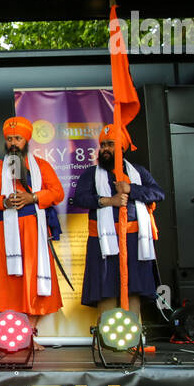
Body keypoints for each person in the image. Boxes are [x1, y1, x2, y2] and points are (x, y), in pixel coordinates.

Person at [0, 116, 64, 339]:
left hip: (34, 231)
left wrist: (32, 197)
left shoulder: (41, 166)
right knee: (8, 282)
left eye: (17, 138)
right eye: (9, 139)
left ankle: (29, 334)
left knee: (33, 281)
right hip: (5, 232)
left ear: (26, 141)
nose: (13, 143)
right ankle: (11, 335)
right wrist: (4, 202)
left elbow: (57, 193)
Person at [71, 123, 164, 315]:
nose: (105, 149)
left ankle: (132, 338)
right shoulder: (90, 174)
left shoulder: (137, 172)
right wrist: (108, 200)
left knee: (133, 289)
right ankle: (107, 340)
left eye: (110, 144)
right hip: (102, 240)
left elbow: (158, 193)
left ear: (122, 146)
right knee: (105, 289)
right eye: (103, 145)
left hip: (133, 239)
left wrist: (132, 189)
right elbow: (79, 198)